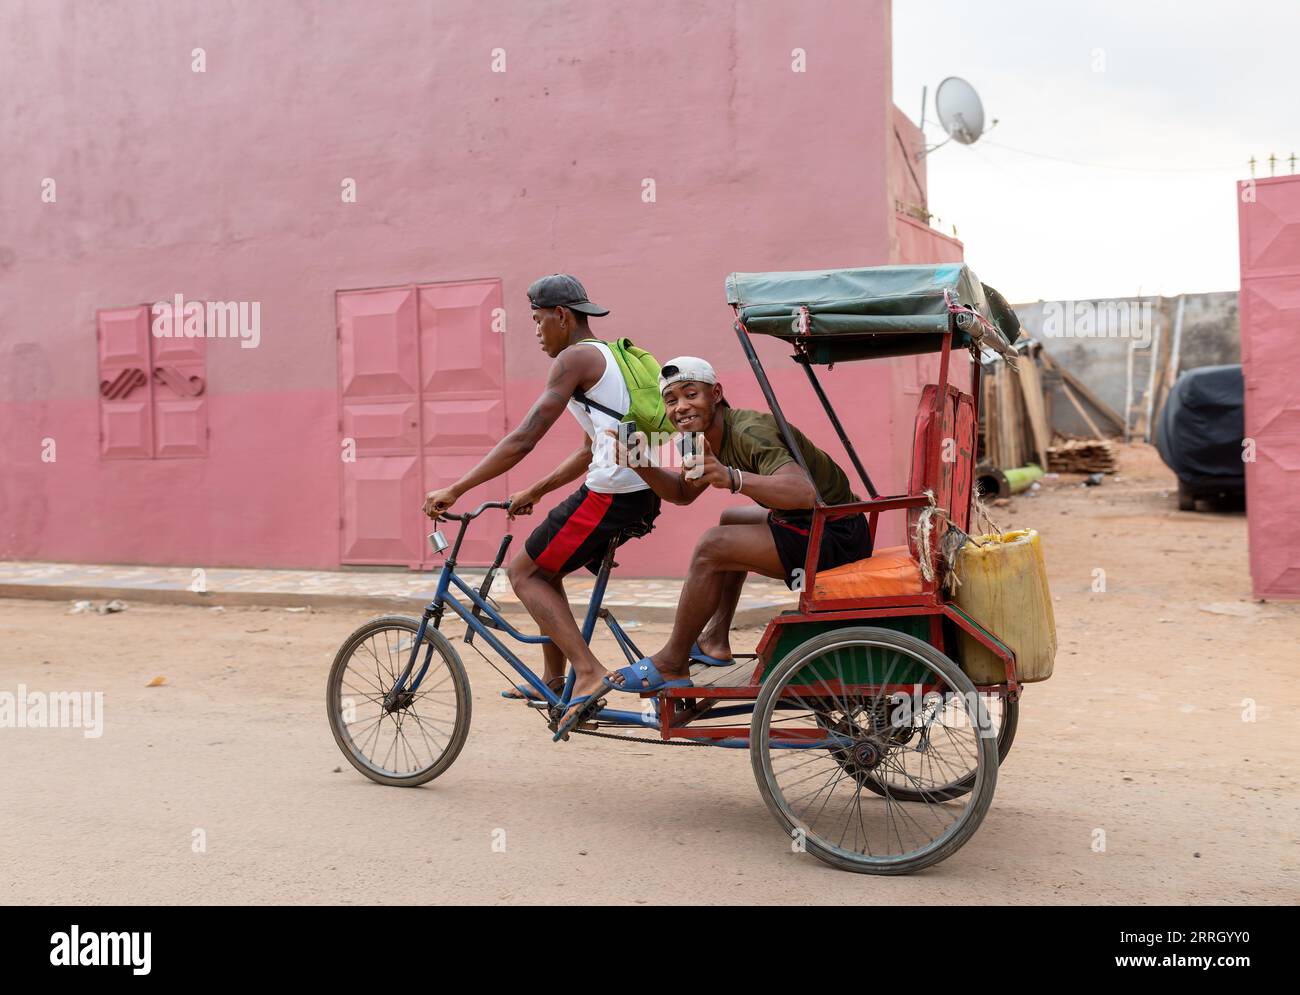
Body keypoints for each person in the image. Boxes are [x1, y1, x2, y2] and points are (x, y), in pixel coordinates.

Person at [423, 274, 661, 737]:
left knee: (523, 573)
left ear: (562, 317)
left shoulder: (573, 359)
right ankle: (553, 681)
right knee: (546, 572)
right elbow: (590, 446)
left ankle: (588, 672)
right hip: (637, 489)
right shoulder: (606, 357)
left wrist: (457, 488)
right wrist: (536, 490)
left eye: (537, 320)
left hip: (612, 493)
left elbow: (525, 436)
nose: (535, 331)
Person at [607, 356, 872, 690]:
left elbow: (802, 492)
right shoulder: (704, 437)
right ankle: (716, 638)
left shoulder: (749, 431)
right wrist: (639, 464)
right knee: (729, 521)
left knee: (712, 545)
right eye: (671, 401)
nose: (681, 408)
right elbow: (681, 493)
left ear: (716, 394)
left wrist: (732, 477)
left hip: (835, 533)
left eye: (691, 395)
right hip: (812, 522)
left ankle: (672, 662)